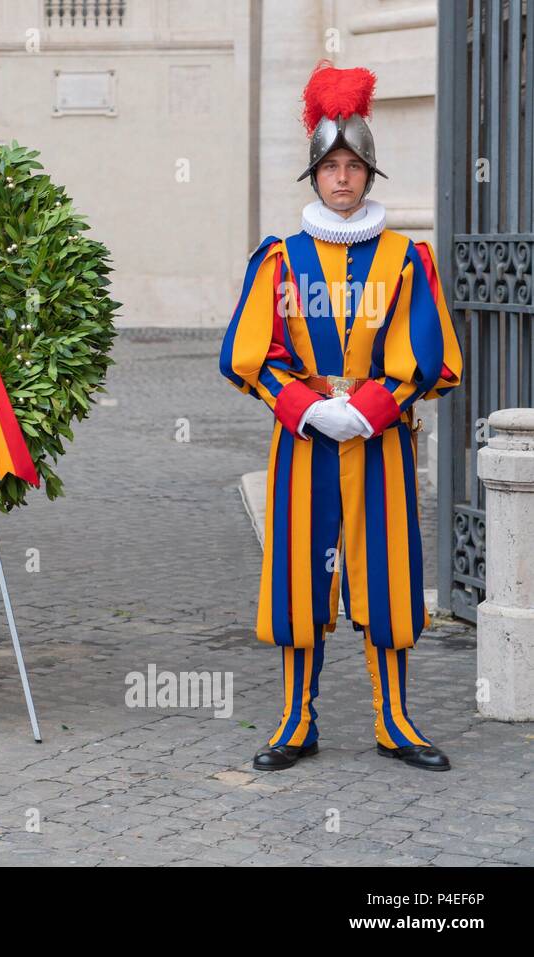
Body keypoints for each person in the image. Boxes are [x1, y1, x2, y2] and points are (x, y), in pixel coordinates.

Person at [219, 61, 463, 772]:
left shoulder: (406, 257)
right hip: (303, 444)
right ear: (314, 174)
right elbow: (249, 357)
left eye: (354, 164)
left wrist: (367, 409)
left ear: (369, 172)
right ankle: (296, 719)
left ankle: (395, 719)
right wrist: (308, 409)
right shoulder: (282, 259)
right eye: (331, 165)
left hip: (381, 443)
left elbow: (432, 358)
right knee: (300, 578)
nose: (343, 177)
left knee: (385, 576)